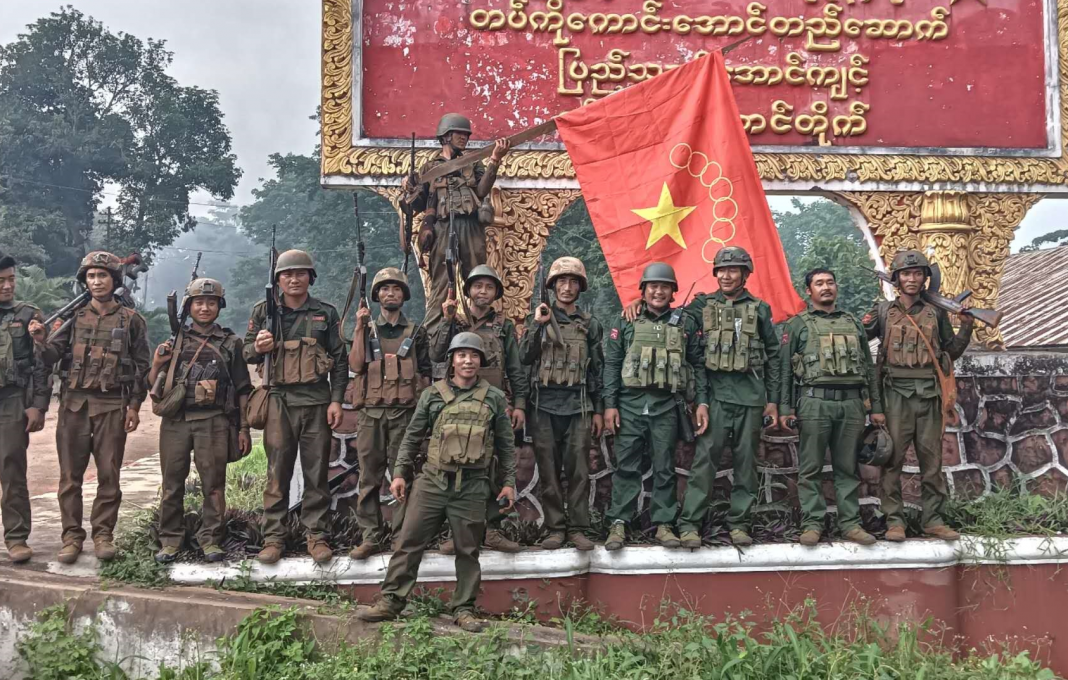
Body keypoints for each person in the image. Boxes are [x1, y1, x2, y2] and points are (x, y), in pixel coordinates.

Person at [356, 332, 516, 632]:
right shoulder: (432, 394)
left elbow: (506, 445)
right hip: (432, 481)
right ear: (452, 361)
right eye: (462, 355)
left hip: (472, 484)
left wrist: (508, 482)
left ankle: (464, 608)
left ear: (481, 361)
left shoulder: (494, 397)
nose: (468, 361)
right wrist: (401, 473)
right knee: (408, 541)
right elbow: (413, 436)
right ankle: (391, 600)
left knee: (468, 550)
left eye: (474, 356)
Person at [37, 251, 151, 564]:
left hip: (113, 404)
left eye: (102, 275)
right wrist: (40, 340)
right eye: (91, 276)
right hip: (74, 405)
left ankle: (103, 535)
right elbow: (51, 357)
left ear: (114, 280)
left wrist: (135, 406)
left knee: (108, 475)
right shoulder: (73, 319)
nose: (97, 281)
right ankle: (72, 537)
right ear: (84, 281)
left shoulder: (131, 321)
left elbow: (141, 367)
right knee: (70, 478)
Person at [243, 249, 348, 564]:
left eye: (301, 273)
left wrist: (336, 400)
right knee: (277, 473)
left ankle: (316, 535)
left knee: (317, 473)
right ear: (278, 280)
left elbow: (340, 360)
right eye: (287, 274)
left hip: (316, 402)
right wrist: (258, 346)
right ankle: (273, 537)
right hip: (279, 401)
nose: (294, 279)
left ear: (310, 278)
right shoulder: (264, 312)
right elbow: (246, 352)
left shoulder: (325, 313)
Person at [675, 246, 781, 548]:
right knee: (704, 461)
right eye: (721, 269)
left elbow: (773, 355)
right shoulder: (702, 305)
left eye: (733, 269)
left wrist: (773, 400)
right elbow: (671, 320)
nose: (726, 274)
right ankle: (690, 524)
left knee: (746, 464)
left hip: (750, 397)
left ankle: (740, 523)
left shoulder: (760, 309)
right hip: (717, 398)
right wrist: (635, 304)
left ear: (745, 274)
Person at [864, 249, 973, 542]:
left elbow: (950, 352)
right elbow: (859, 340)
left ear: (925, 278)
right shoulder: (884, 311)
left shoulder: (936, 312)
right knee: (892, 460)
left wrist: (966, 325)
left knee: (932, 462)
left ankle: (933, 519)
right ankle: (894, 521)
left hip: (929, 396)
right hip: (894, 394)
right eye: (905, 274)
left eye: (917, 274)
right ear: (896, 279)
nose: (911, 279)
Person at [603, 262, 708, 551]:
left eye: (664, 286)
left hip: (666, 406)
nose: (658, 291)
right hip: (630, 405)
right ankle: (619, 523)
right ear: (643, 290)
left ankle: (664, 523)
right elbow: (612, 364)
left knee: (665, 467)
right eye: (653, 286)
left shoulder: (686, 322)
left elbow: (697, 364)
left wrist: (701, 402)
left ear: (673, 291)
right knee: (626, 466)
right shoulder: (626, 319)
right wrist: (610, 405)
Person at [148, 278, 253, 564]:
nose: (205, 308)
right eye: (198, 302)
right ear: (188, 306)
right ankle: (170, 540)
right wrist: (159, 361)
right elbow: (153, 384)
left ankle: (210, 539)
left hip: (214, 421)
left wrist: (243, 428)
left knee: (214, 485)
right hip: (176, 422)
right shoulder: (175, 340)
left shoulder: (231, 342)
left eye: (211, 302)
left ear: (220, 306)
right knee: (172, 484)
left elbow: (243, 389)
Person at [431, 264, 528, 553]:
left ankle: (493, 530)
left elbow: (515, 367)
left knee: (494, 466)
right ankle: (456, 532)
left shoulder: (503, 325)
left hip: (494, 403)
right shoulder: (454, 320)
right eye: (477, 286)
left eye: (488, 287)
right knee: (455, 463)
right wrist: (446, 321)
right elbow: (435, 355)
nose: (482, 291)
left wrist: (519, 403)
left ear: (496, 293)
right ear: (468, 291)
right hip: (457, 402)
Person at [779, 268, 880, 547]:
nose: (826, 287)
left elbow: (868, 368)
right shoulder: (797, 324)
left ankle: (850, 523)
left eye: (830, 282)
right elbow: (785, 369)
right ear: (808, 291)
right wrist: (785, 408)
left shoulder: (853, 323)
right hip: (814, 402)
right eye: (819, 283)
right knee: (810, 468)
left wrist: (877, 406)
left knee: (847, 468)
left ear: (836, 288)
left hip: (851, 404)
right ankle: (812, 523)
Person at [519, 257, 604, 551]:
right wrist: (536, 324)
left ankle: (578, 528)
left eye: (572, 282)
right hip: (544, 405)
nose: (567, 288)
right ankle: (555, 528)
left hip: (578, 405)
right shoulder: (541, 319)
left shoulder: (590, 324)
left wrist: (599, 409)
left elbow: (597, 370)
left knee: (579, 470)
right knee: (549, 470)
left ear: (580, 287)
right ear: (552, 286)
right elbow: (524, 358)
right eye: (561, 282)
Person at [348, 267, 432, 560]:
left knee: (403, 476)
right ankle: (370, 536)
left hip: (404, 415)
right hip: (370, 414)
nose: (390, 293)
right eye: (384, 289)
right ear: (376, 296)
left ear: (404, 295)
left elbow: (426, 375)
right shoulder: (367, 329)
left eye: (396, 289)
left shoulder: (417, 332)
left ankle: (400, 537)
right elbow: (356, 366)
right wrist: (358, 328)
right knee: (369, 478)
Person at [401, 113, 511, 335]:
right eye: (459, 134)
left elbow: (482, 191)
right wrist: (409, 188)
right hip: (442, 228)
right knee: (441, 284)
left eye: (466, 134)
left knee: (477, 279)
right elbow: (418, 205)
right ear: (446, 136)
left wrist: (495, 161)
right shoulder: (429, 167)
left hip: (471, 226)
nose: (464, 138)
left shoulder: (473, 163)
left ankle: (481, 332)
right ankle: (433, 335)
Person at [0, 252, 52, 564]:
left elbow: (40, 365)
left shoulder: (29, 314)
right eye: (1, 281)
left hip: (13, 399)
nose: (7, 286)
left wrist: (38, 406)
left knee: (12, 467)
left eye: (11, 280)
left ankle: (16, 538)